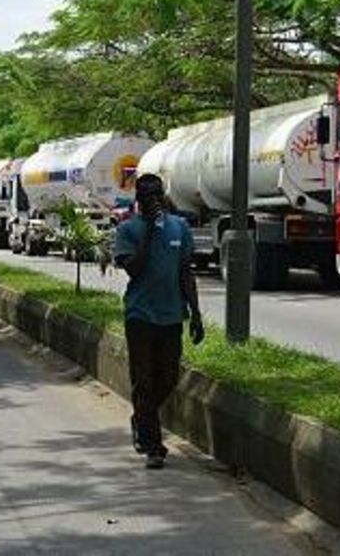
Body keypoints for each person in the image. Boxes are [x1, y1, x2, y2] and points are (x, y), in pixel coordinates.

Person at [114, 174, 204, 469]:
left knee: (168, 378)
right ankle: (153, 446)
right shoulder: (128, 229)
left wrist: (196, 313)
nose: (154, 201)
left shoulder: (180, 227)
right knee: (144, 380)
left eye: (157, 195)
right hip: (140, 315)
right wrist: (151, 231)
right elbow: (133, 269)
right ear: (139, 200)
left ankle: (141, 419)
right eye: (147, 196)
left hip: (172, 314)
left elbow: (186, 272)